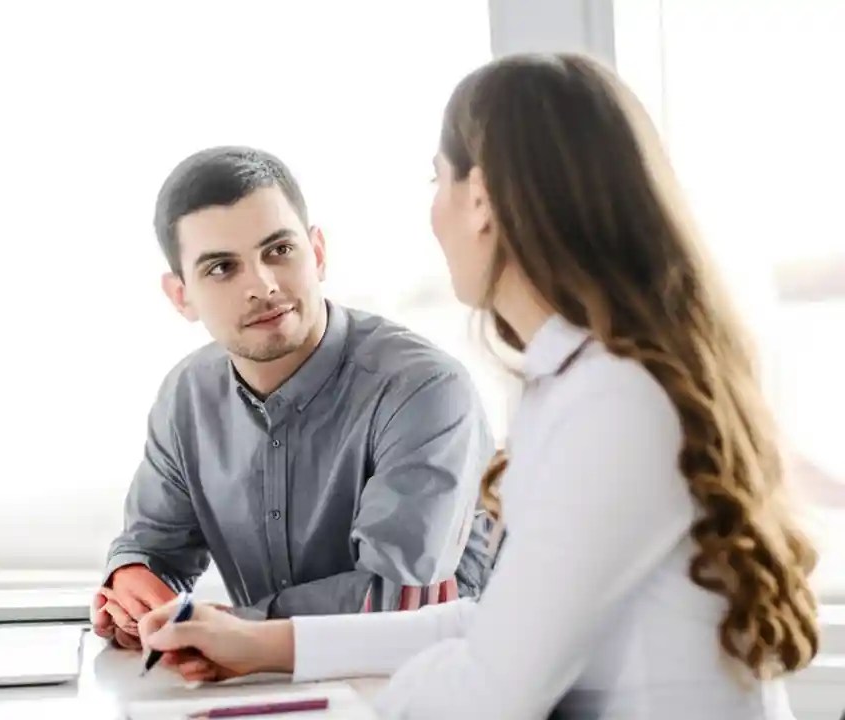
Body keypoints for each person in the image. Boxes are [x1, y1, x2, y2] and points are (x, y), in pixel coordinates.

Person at [137, 54, 820, 718]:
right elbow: (495, 621)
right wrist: (262, 644)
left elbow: (494, 690)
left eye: (437, 179)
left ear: (482, 200)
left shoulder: (615, 404)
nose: (432, 211)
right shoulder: (579, 383)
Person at [92, 146, 497, 652]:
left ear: (318, 253)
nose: (262, 285)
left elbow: (397, 601)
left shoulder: (423, 390)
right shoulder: (186, 396)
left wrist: (233, 631)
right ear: (181, 297)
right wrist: (132, 583)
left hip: (443, 683)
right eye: (221, 268)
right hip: (269, 689)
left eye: (278, 251)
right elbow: (155, 550)